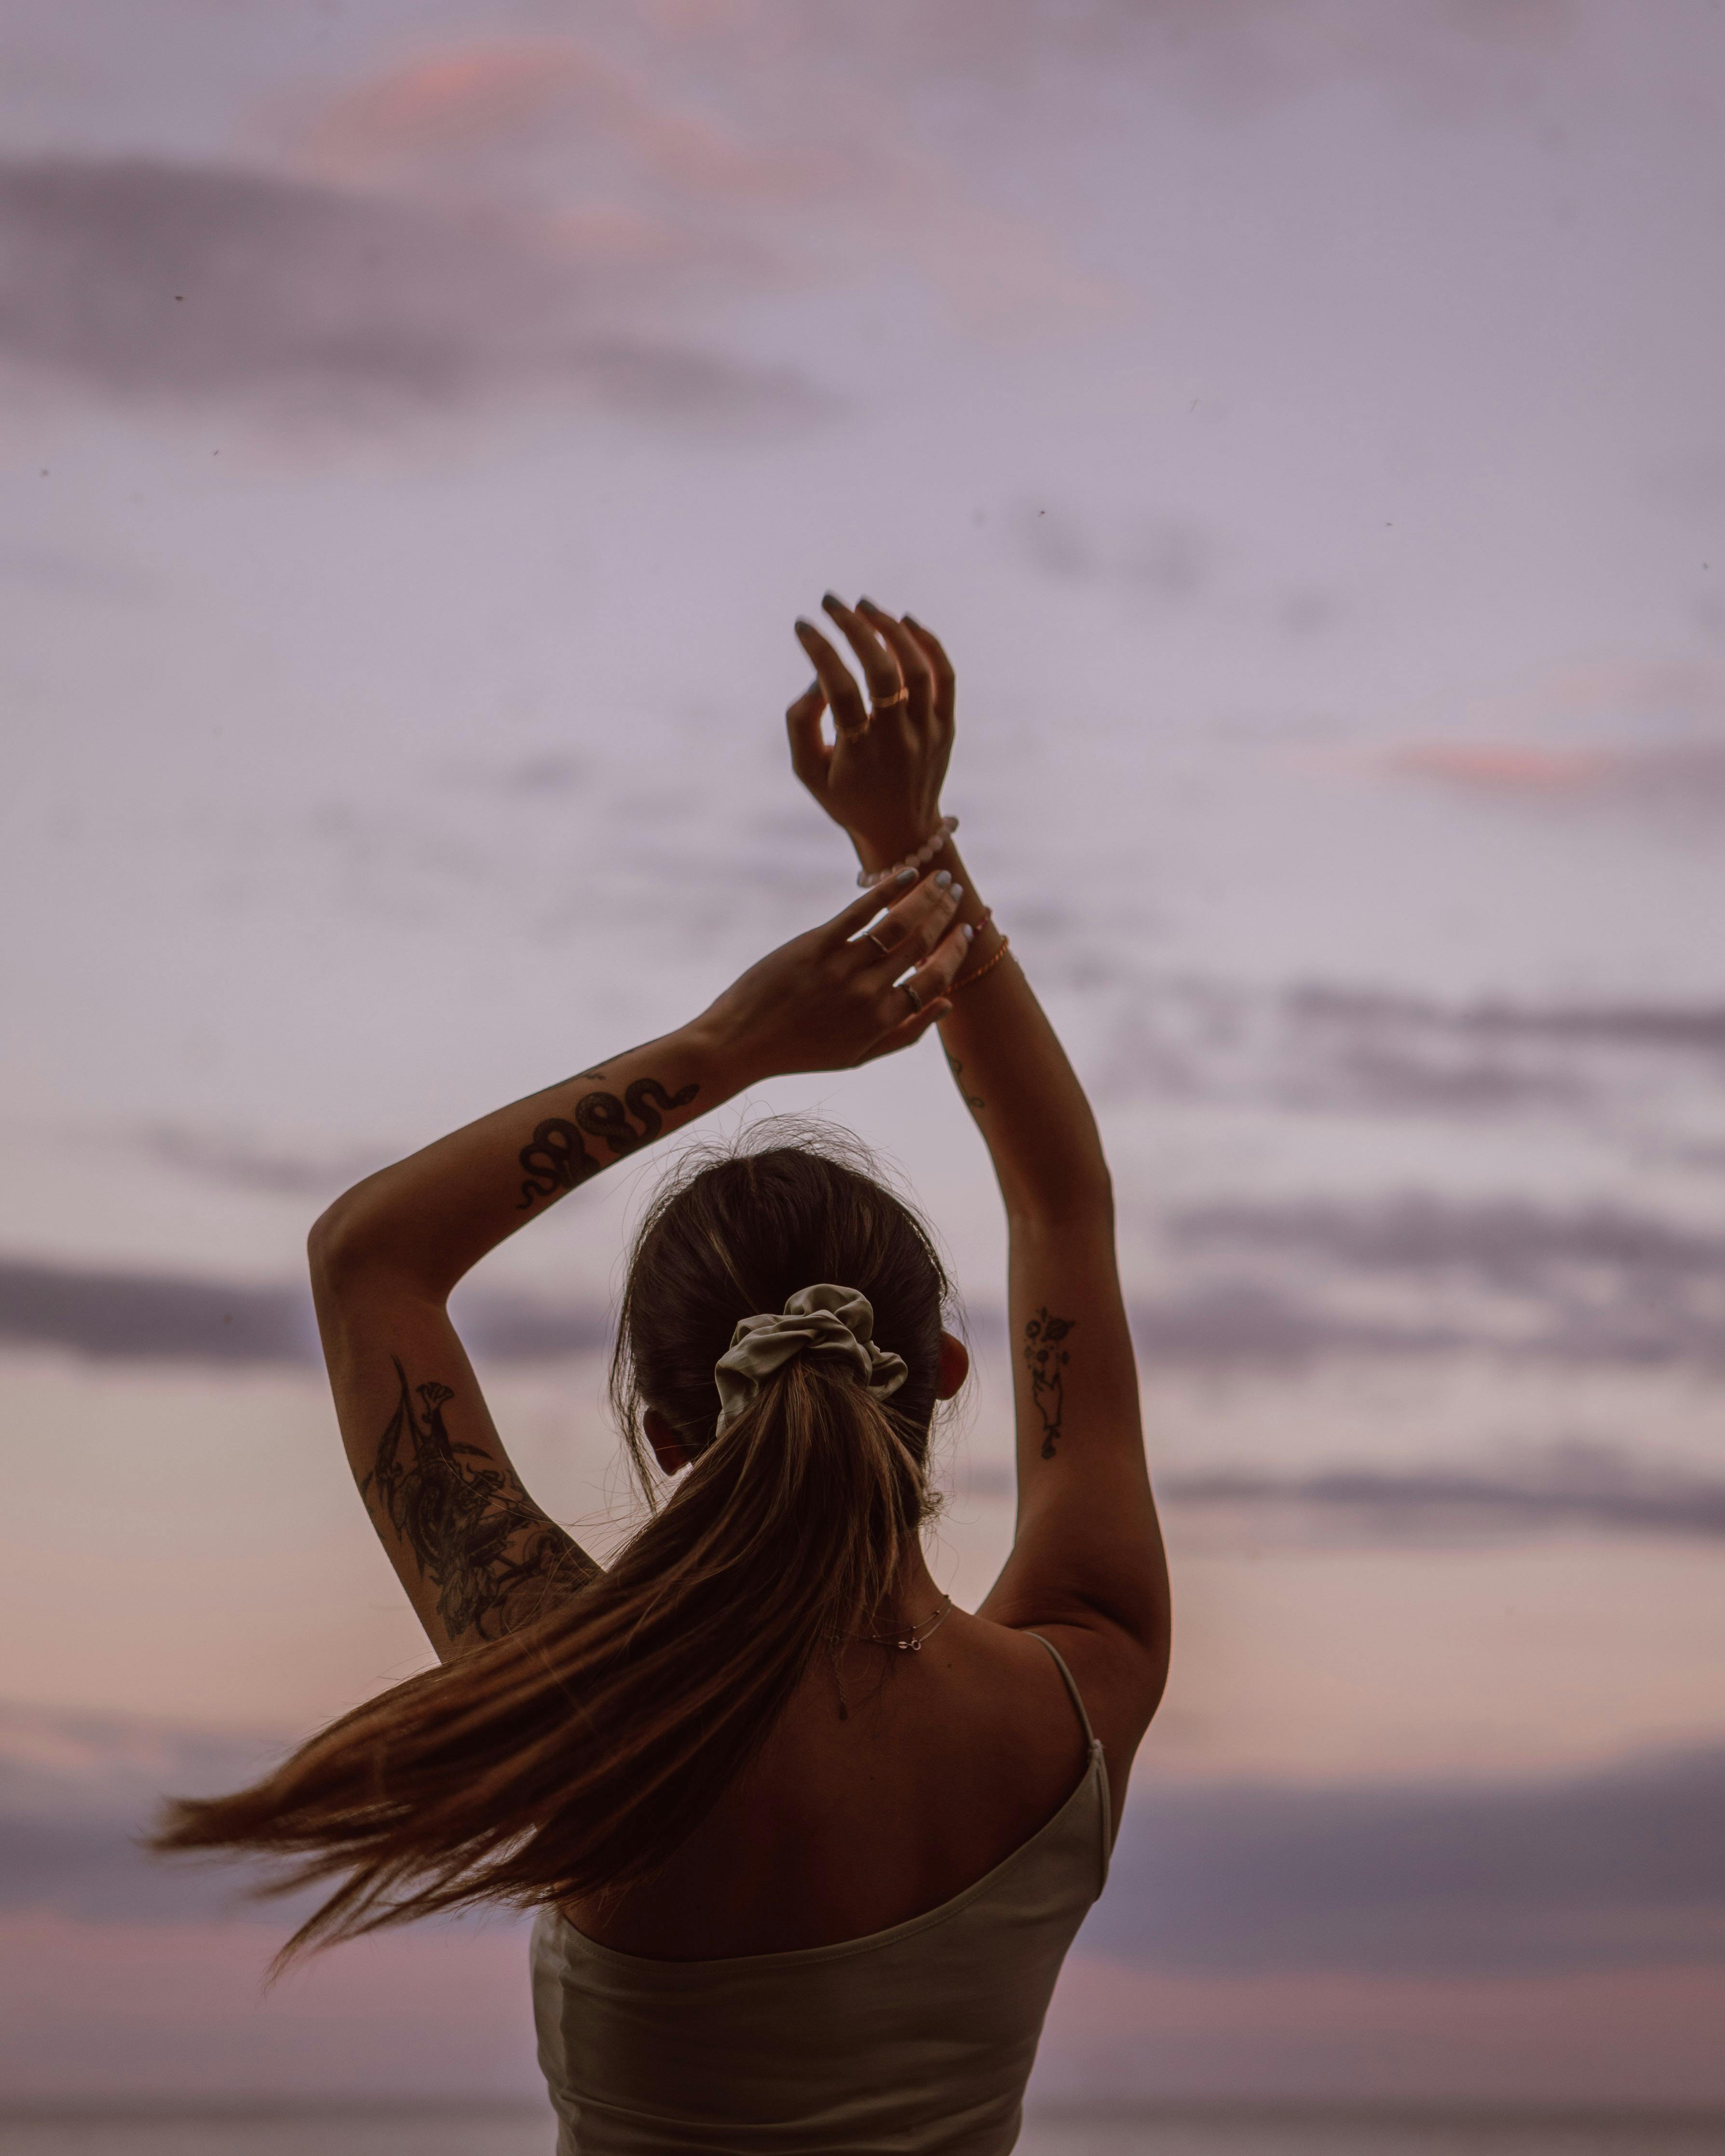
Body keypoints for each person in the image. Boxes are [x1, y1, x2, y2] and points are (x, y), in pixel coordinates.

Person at [154, 596, 1171, 2154]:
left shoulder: (590, 1716)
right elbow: (1062, 1201)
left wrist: (735, 1040)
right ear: (950, 1370)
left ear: (664, 1428)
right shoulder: (1076, 1689)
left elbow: (370, 1260)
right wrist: (907, 857)